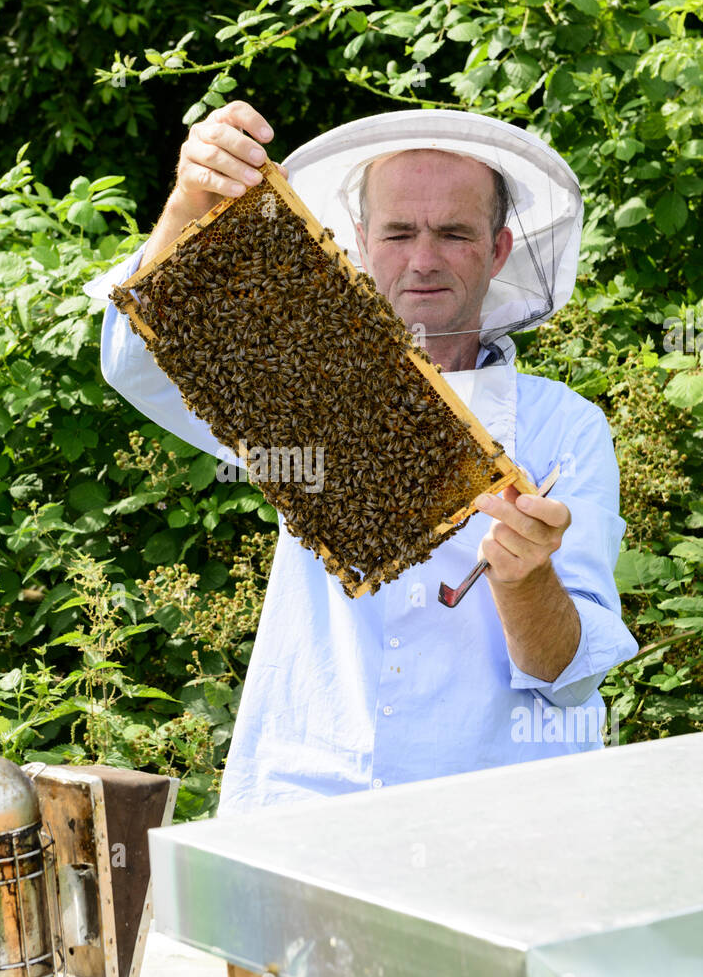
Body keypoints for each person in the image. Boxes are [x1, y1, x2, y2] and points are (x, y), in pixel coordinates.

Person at [85, 101, 638, 815]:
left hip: (493, 820)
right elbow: (138, 359)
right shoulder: (299, 383)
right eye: (400, 231)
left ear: (499, 250)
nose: (423, 258)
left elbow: (565, 675)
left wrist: (527, 578)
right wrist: (191, 206)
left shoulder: (565, 428)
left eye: (454, 233)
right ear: (359, 239)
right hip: (307, 802)